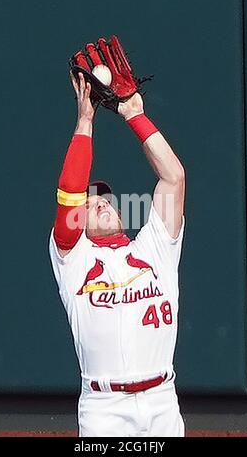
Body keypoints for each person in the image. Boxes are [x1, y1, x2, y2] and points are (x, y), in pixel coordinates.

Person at [49, 71, 186, 437]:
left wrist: (133, 114)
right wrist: (85, 121)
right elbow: (69, 191)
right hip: (104, 408)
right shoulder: (74, 262)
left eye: (104, 200)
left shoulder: (156, 246)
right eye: (89, 205)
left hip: (162, 401)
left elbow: (173, 177)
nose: (99, 205)